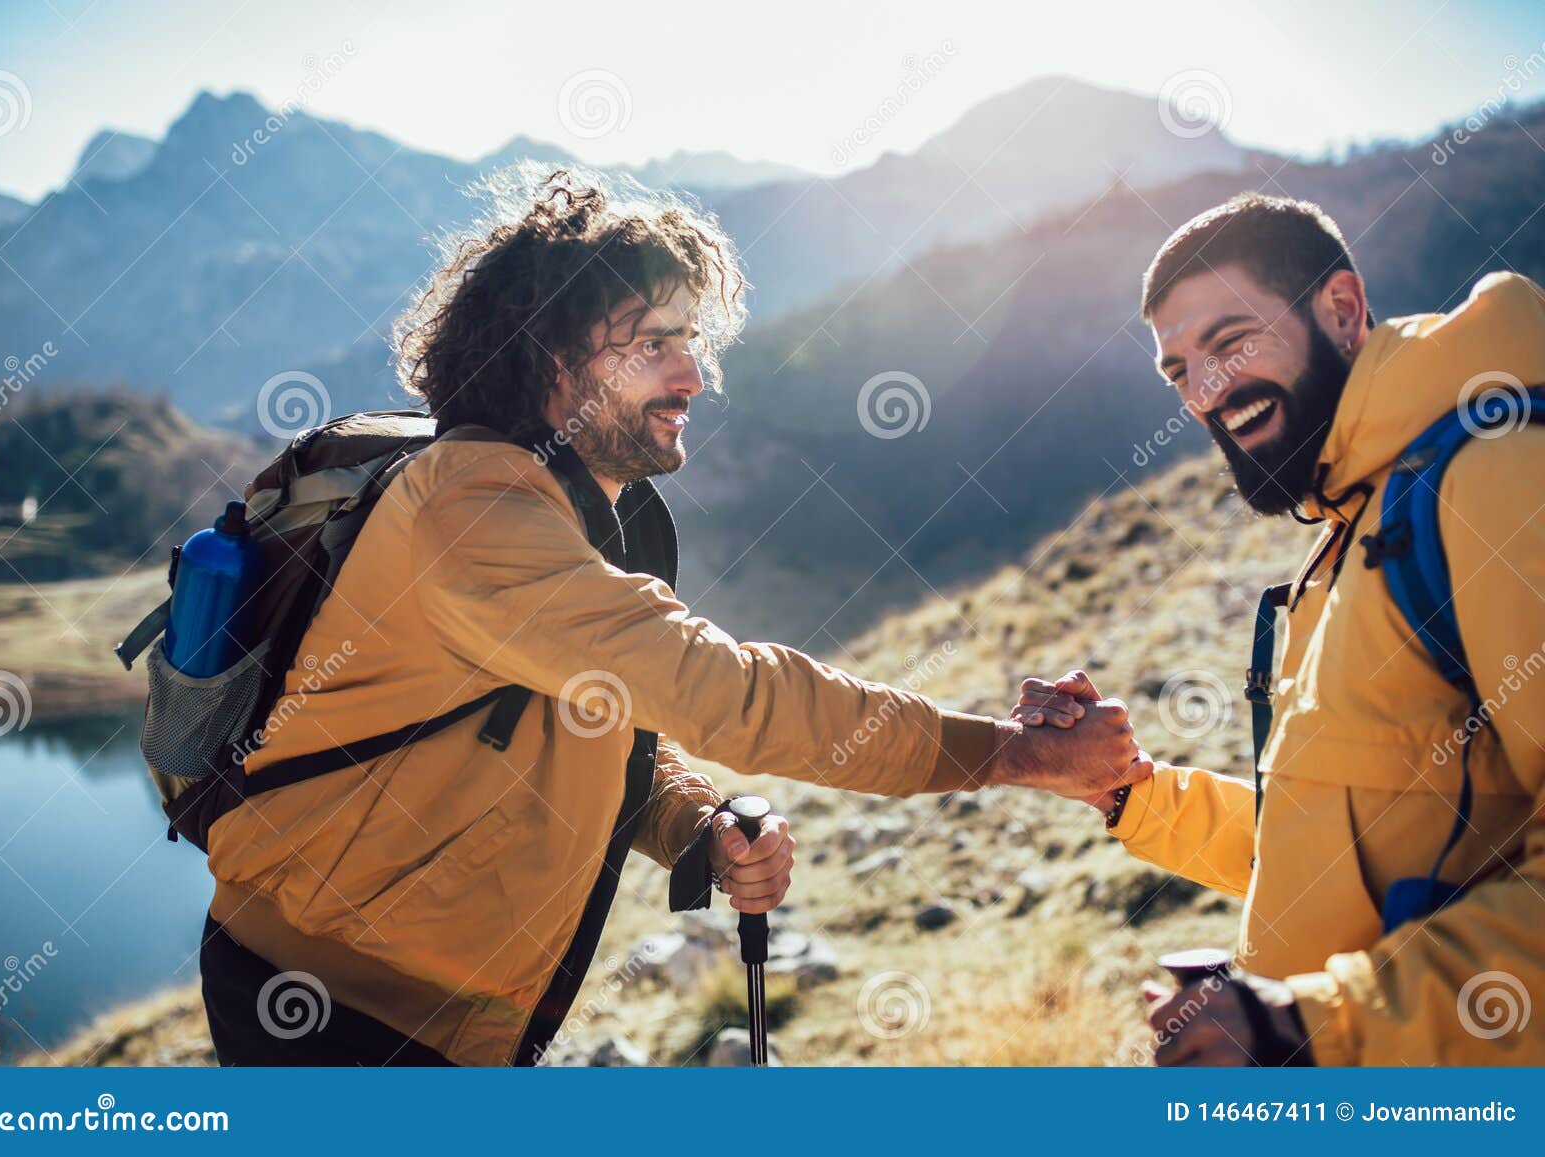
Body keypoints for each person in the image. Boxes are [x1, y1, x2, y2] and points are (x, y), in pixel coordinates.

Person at [198, 168, 1151, 1067]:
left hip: (430, 1019)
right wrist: (1010, 754)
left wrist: (697, 826)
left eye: (691, 340)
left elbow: (585, 725)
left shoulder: (555, 502)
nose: (694, 376)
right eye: (652, 343)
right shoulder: (474, 508)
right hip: (331, 1009)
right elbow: (727, 694)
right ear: (552, 363)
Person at [1021, 192, 1545, 1065]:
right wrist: (1127, 791)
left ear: (1340, 310)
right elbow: (1345, 835)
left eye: (1230, 342)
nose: (1207, 392)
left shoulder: (1501, 482)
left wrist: (1316, 1023)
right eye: (1180, 369)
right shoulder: (1358, 523)